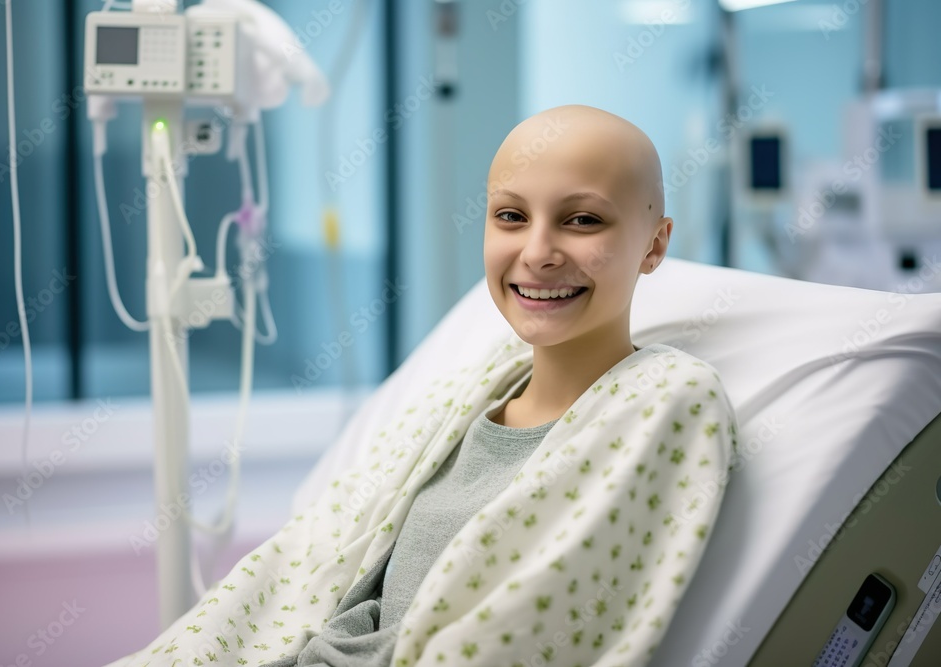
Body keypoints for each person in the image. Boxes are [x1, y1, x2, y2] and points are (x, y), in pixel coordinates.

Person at [105, 105, 737, 667]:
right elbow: (312, 565)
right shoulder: (461, 403)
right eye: (511, 216)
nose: (538, 252)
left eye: (581, 220)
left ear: (655, 246)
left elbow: (534, 623)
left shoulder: (665, 398)